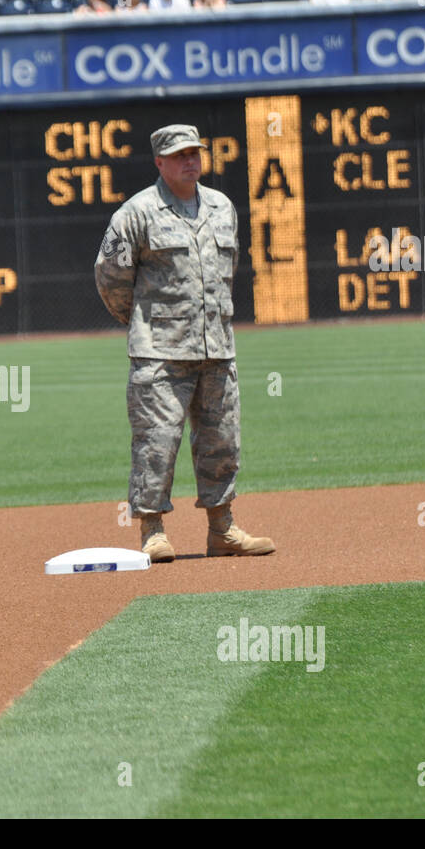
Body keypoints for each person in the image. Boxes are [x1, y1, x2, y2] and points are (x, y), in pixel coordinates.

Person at [94, 125, 275, 563]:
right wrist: (140, 321)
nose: (189, 161)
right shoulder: (135, 213)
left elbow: (225, 274)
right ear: (159, 162)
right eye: (179, 156)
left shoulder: (222, 207)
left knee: (222, 442)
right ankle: (153, 531)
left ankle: (222, 528)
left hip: (217, 349)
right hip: (160, 352)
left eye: (195, 153)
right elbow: (110, 277)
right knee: (156, 443)